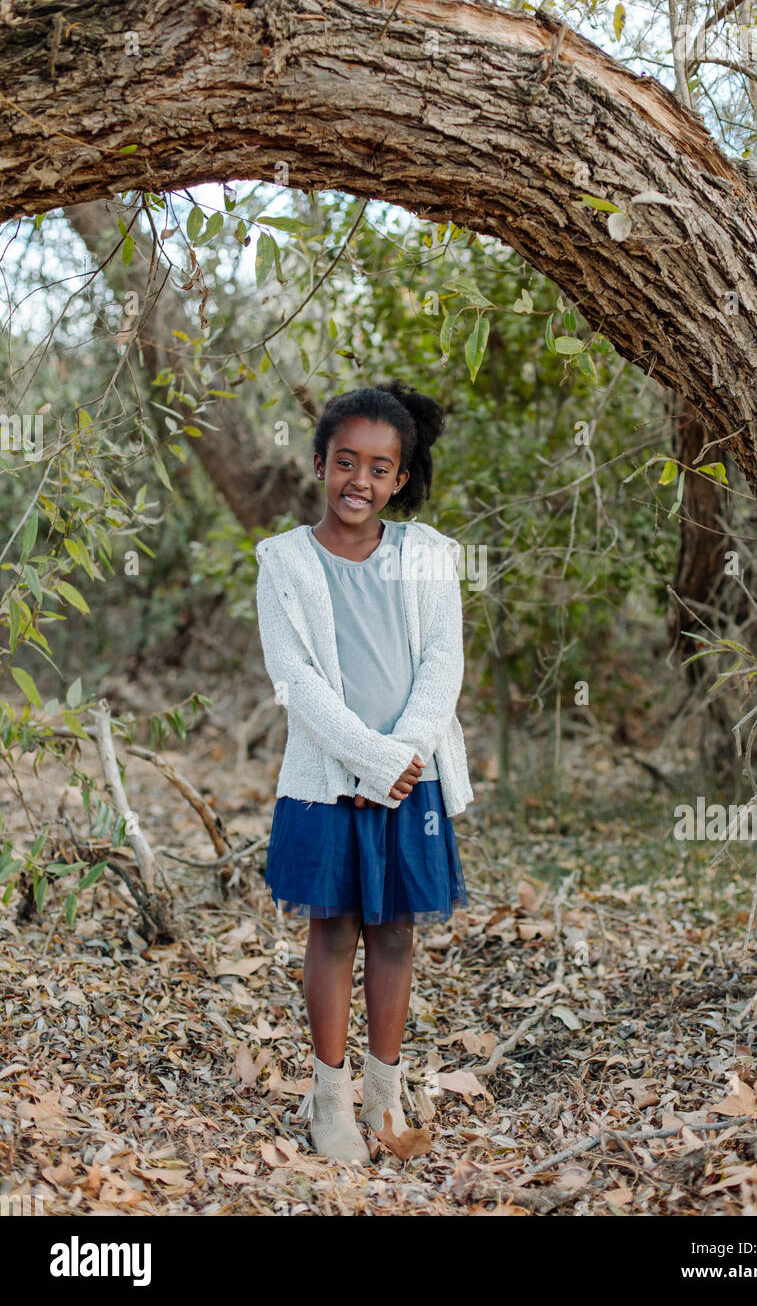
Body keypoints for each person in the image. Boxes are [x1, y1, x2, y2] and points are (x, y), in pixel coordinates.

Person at [254, 380, 474, 1166]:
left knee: (394, 932)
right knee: (335, 927)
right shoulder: (282, 561)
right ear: (320, 463)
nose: (360, 481)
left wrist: (406, 754)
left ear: (400, 479)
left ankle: (385, 1094)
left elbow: (443, 660)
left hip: (413, 779)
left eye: (379, 469)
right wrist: (374, 759)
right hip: (329, 778)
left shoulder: (427, 555)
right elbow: (295, 678)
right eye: (346, 462)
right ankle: (330, 1098)